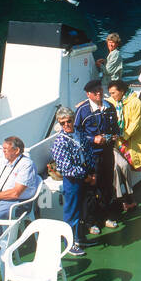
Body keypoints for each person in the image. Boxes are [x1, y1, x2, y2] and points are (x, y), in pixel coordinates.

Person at [75, 80, 120, 234]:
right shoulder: (82, 111)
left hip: (107, 153)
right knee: (91, 187)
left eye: (100, 89)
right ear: (88, 94)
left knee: (107, 185)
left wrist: (114, 136)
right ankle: (90, 221)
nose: (99, 93)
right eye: (95, 91)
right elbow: (76, 134)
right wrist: (92, 139)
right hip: (91, 156)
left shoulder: (109, 107)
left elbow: (116, 127)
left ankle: (106, 216)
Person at [50, 106, 94, 259]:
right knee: (72, 213)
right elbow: (65, 168)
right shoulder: (60, 143)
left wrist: (92, 172)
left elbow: (89, 152)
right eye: (62, 123)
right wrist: (85, 176)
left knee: (83, 210)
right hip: (73, 181)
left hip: (85, 177)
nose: (66, 125)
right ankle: (69, 244)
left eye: (69, 121)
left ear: (73, 120)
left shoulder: (79, 134)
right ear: (59, 124)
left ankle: (80, 239)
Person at [109, 77, 141, 209]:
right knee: (124, 163)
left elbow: (136, 123)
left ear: (121, 91)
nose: (112, 96)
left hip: (137, 138)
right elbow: (104, 101)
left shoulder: (135, 103)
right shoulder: (114, 101)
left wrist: (124, 135)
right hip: (123, 139)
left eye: (113, 93)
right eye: (110, 93)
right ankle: (127, 192)